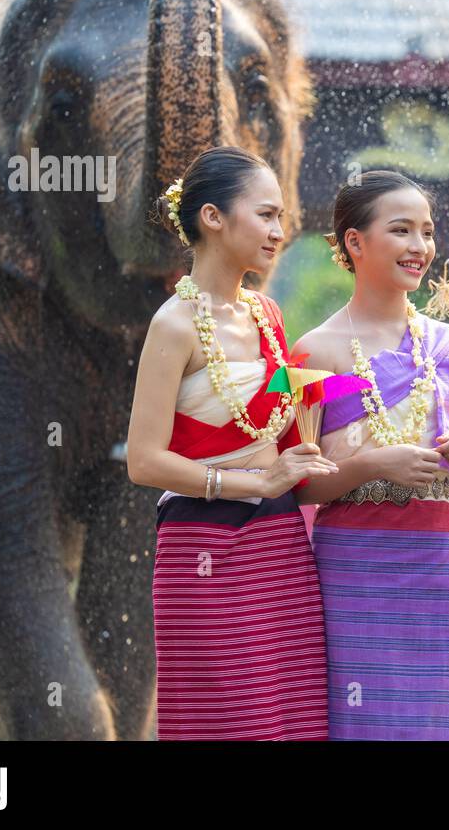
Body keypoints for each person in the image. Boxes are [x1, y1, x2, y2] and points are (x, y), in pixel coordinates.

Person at [127, 146, 339, 740]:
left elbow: (283, 420)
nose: (280, 231)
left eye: (281, 218)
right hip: (205, 548)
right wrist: (253, 482)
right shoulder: (173, 325)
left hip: (280, 547)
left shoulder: (268, 315)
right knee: (224, 719)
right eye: (266, 215)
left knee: (293, 716)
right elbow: (144, 461)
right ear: (214, 218)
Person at [291, 170, 449, 740]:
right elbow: (301, 485)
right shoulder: (316, 350)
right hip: (357, 563)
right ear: (355, 243)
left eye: (426, 232)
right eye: (401, 230)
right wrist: (372, 465)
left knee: (438, 721)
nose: (420, 247)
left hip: (442, 558)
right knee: (363, 718)